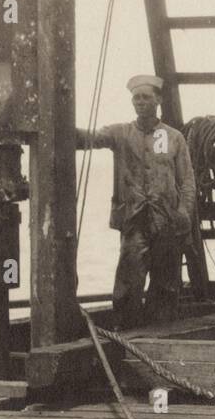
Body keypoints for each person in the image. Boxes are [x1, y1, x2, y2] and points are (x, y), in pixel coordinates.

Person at [75, 75, 197, 330]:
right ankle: (128, 332)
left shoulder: (173, 138)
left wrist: (184, 214)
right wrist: (60, 126)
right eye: (136, 98)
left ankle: (162, 333)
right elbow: (90, 138)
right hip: (133, 219)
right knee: (129, 279)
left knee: (166, 283)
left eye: (146, 97)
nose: (140, 102)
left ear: (158, 100)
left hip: (166, 221)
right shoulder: (120, 133)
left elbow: (186, 181)